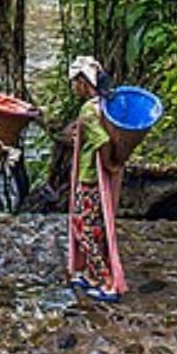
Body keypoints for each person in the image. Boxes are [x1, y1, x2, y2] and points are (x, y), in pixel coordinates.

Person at [66, 55, 126, 302]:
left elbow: (101, 140)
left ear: (82, 82)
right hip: (94, 177)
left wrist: (109, 163)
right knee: (95, 226)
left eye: (74, 82)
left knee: (86, 229)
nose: (73, 87)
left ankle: (106, 280)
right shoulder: (104, 105)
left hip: (89, 178)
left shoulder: (88, 111)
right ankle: (90, 274)